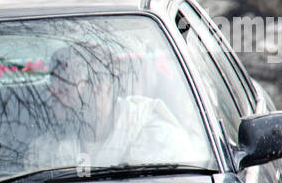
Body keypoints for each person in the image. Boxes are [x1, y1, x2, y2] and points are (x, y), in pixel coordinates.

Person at [25, 44, 195, 170]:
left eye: (64, 90)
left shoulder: (158, 140)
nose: (53, 100)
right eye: (52, 91)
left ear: (99, 88)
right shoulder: (45, 149)